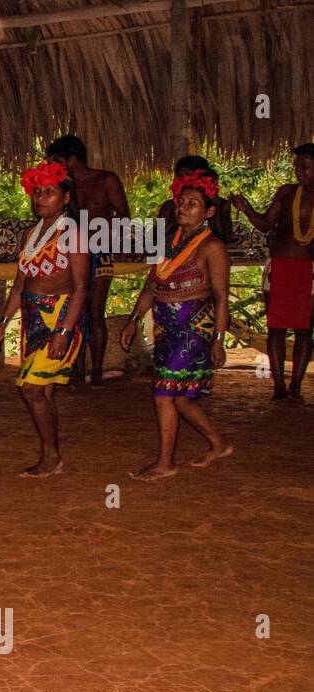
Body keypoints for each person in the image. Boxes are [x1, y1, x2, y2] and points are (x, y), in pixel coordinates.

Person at [120, 168, 233, 479]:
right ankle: (218, 444)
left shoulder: (212, 247)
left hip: (194, 329)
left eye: (192, 203)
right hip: (166, 328)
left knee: (164, 393)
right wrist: (133, 320)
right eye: (181, 201)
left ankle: (166, 462)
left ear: (209, 211)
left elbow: (222, 297)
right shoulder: (170, 241)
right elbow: (150, 286)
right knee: (179, 397)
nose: (183, 207)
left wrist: (219, 340)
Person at [0, 161, 89, 477]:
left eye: (50, 192)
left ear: (66, 198)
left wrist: (63, 330)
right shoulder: (32, 233)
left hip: (59, 318)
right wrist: (2, 322)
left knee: (31, 388)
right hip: (33, 320)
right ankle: (51, 455)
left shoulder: (73, 233)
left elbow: (81, 288)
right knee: (41, 391)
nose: (41, 198)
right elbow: (20, 284)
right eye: (37, 192)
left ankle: (51, 456)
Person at [231, 142, 314, 400]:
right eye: (296, 166)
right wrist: (246, 209)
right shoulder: (286, 192)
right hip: (280, 266)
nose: (298, 171)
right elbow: (266, 225)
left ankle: (296, 386)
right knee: (276, 327)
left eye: (304, 167)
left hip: (310, 269)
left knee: (304, 330)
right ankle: (278, 386)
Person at [47, 134, 129, 386]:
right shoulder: (63, 186)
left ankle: (95, 374)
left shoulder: (106, 180)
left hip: (99, 252)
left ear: (71, 159)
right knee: (74, 312)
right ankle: (77, 372)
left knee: (94, 312)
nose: (54, 167)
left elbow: (124, 216)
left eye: (57, 161)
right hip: (69, 254)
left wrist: (97, 234)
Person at [156, 155, 232, 245]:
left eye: (188, 176)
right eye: (180, 177)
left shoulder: (221, 205)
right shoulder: (169, 207)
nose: (184, 181)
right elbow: (158, 238)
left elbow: (225, 236)